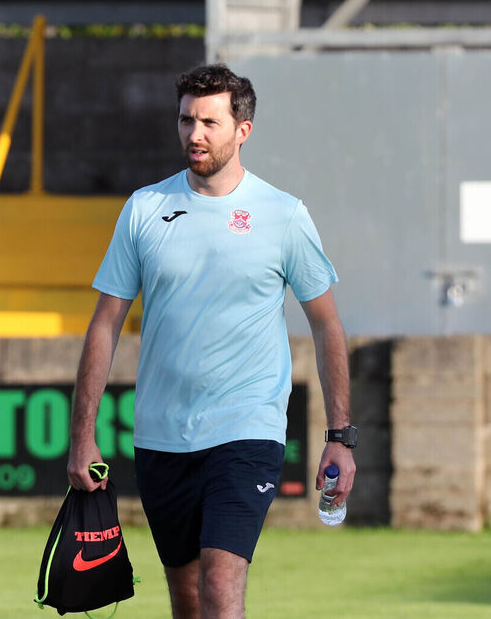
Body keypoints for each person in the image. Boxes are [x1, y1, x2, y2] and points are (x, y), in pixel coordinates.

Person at [66, 64, 356, 619]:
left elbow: (327, 326)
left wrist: (341, 435)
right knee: (188, 599)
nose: (194, 134)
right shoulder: (144, 209)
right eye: (185, 120)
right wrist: (82, 437)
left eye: (209, 122)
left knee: (221, 589)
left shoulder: (283, 215)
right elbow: (104, 325)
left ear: (242, 130)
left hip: (247, 432)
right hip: (161, 439)